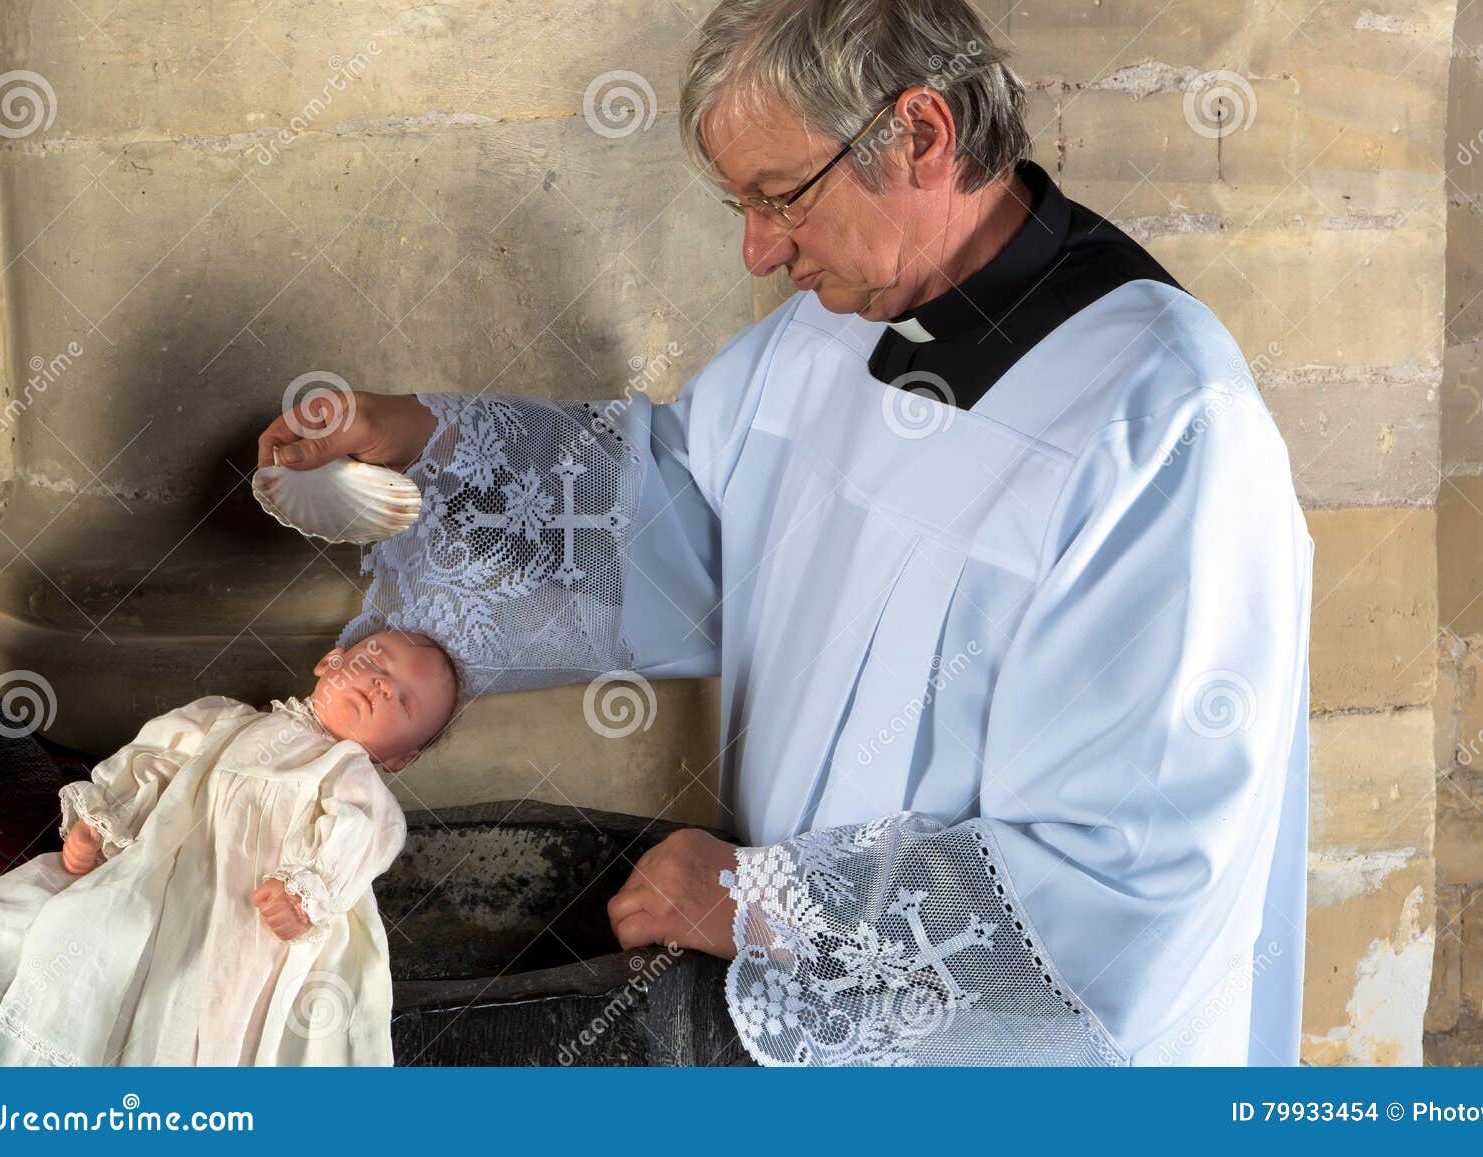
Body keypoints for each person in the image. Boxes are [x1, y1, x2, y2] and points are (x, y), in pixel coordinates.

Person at [257, 0, 1312, 1067]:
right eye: (740, 207)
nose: (763, 250)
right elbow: (693, 521)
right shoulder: (832, 325)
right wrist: (424, 445)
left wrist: (762, 900)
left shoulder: (1160, 421)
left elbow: (1130, 876)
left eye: (778, 198)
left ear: (920, 135)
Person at [0, 629, 453, 1065]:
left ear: (399, 759)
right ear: (329, 662)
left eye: (404, 703)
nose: (383, 685)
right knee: (86, 931)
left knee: (213, 1015)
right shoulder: (225, 719)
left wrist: (307, 891)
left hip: (248, 921)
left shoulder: (350, 774)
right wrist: (102, 820)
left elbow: (364, 832)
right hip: (156, 875)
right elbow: (156, 763)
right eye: (377, 660)